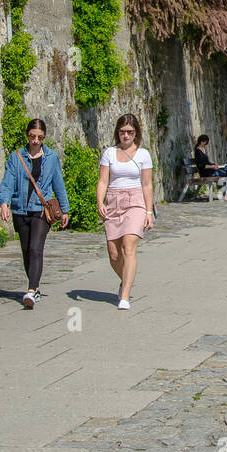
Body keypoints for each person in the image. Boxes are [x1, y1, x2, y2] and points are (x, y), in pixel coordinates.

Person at [0, 119, 70, 309]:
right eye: (32, 136)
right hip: (20, 210)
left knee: (36, 248)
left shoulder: (51, 157)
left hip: (41, 211)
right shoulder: (16, 158)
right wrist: (4, 203)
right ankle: (35, 286)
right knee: (26, 251)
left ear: (44, 137)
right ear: (27, 135)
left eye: (39, 137)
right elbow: (7, 182)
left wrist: (65, 210)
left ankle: (31, 291)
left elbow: (58, 184)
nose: (35, 140)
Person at [95, 114, 154, 310]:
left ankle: (125, 296)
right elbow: (103, 180)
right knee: (113, 253)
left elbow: (147, 184)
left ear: (136, 133)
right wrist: (99, 201)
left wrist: (148, 211)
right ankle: (126, 279)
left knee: (129, 246)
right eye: (122, 132)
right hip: (113, 200)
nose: (126, 136)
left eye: (129, 132)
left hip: (135, 201)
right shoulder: (109, 153)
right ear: (117, 133)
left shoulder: (143, 154)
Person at [193, 133, 227, 201]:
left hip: (210, 171)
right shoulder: (198, 152)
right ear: (202, 142)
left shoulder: (202, 150)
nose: (206, 144)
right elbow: (201, 166)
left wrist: (214, 164)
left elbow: (207, 163)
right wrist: (212, 166)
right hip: (206, 173)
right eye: (205, 143)